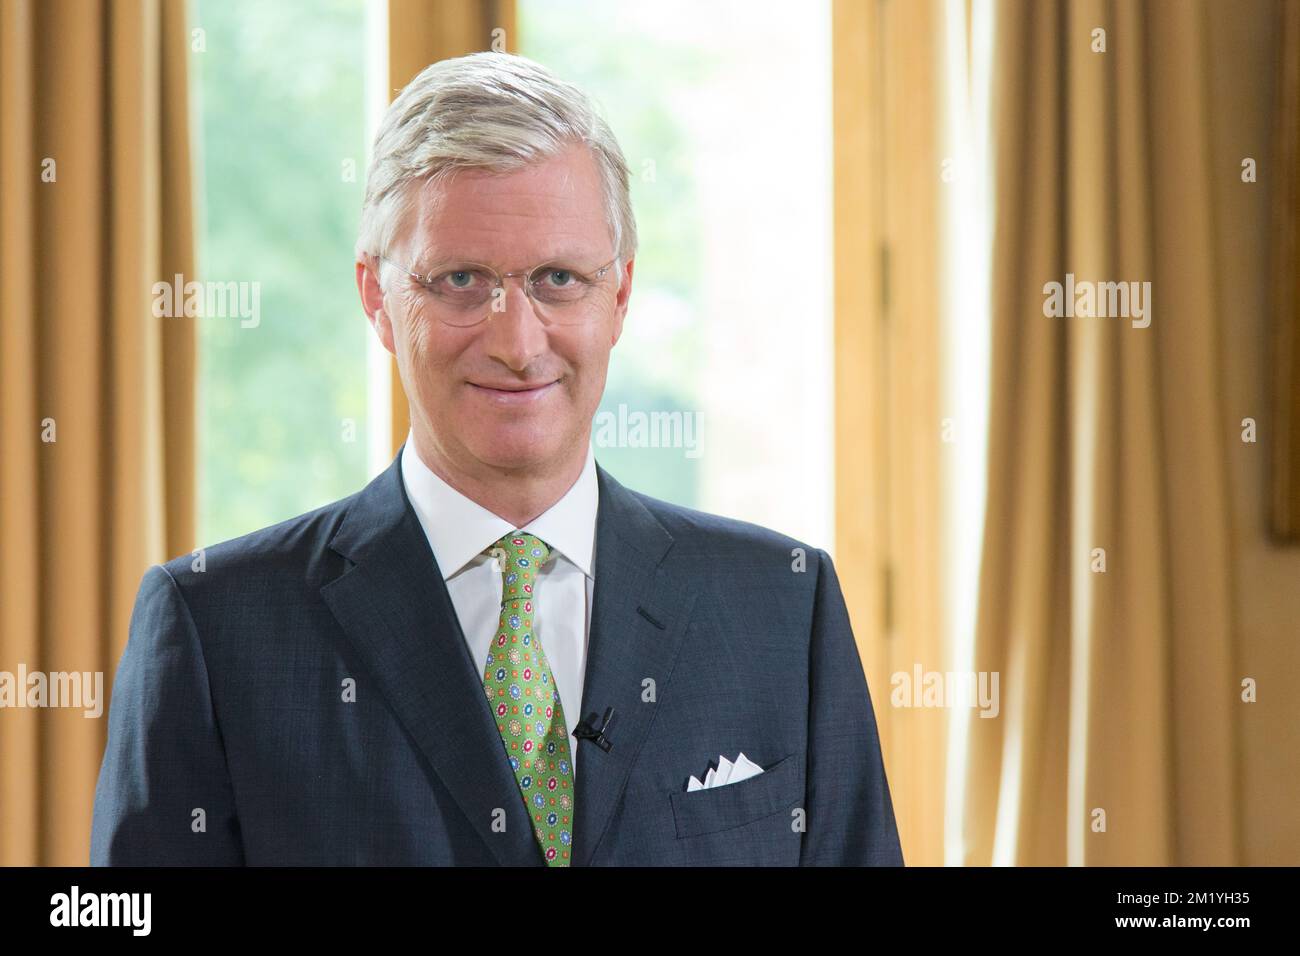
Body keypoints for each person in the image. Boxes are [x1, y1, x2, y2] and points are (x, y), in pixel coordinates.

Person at [90, 50, 903, 866]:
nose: (517, 342)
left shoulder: (783, 609)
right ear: (377, 297)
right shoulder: (214, 629)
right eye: (459, 280)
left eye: (559, 278)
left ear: (618, 295)